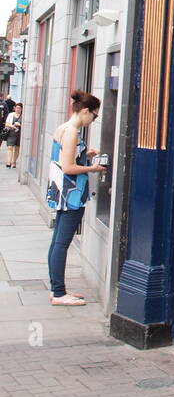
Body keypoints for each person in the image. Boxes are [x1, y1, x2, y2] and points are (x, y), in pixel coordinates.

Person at [46, 90, 104, 306]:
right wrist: (93, 168)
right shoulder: (72, 132)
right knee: (62, 243)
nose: (94, 120)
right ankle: (59, 293)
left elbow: (64, 159)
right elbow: (69, 167)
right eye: (94, 115)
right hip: (72, 194)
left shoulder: (62, 128)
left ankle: (56, 289)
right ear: (85, 111)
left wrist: (84, 154)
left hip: (61, 191)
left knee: (57, 242)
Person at [3, 103, 23, 168]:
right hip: (11, 133)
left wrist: (19, 125)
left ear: (21, 109)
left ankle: (14, 162)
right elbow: (6, 124)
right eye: (16, 108)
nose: (17, 109)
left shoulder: (23, 116)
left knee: (17, 148)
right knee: (10, 147)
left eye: (19, 108)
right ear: (14, 108)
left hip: (19, 134)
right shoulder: (11, 115)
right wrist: (13, 126)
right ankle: (8, 162)